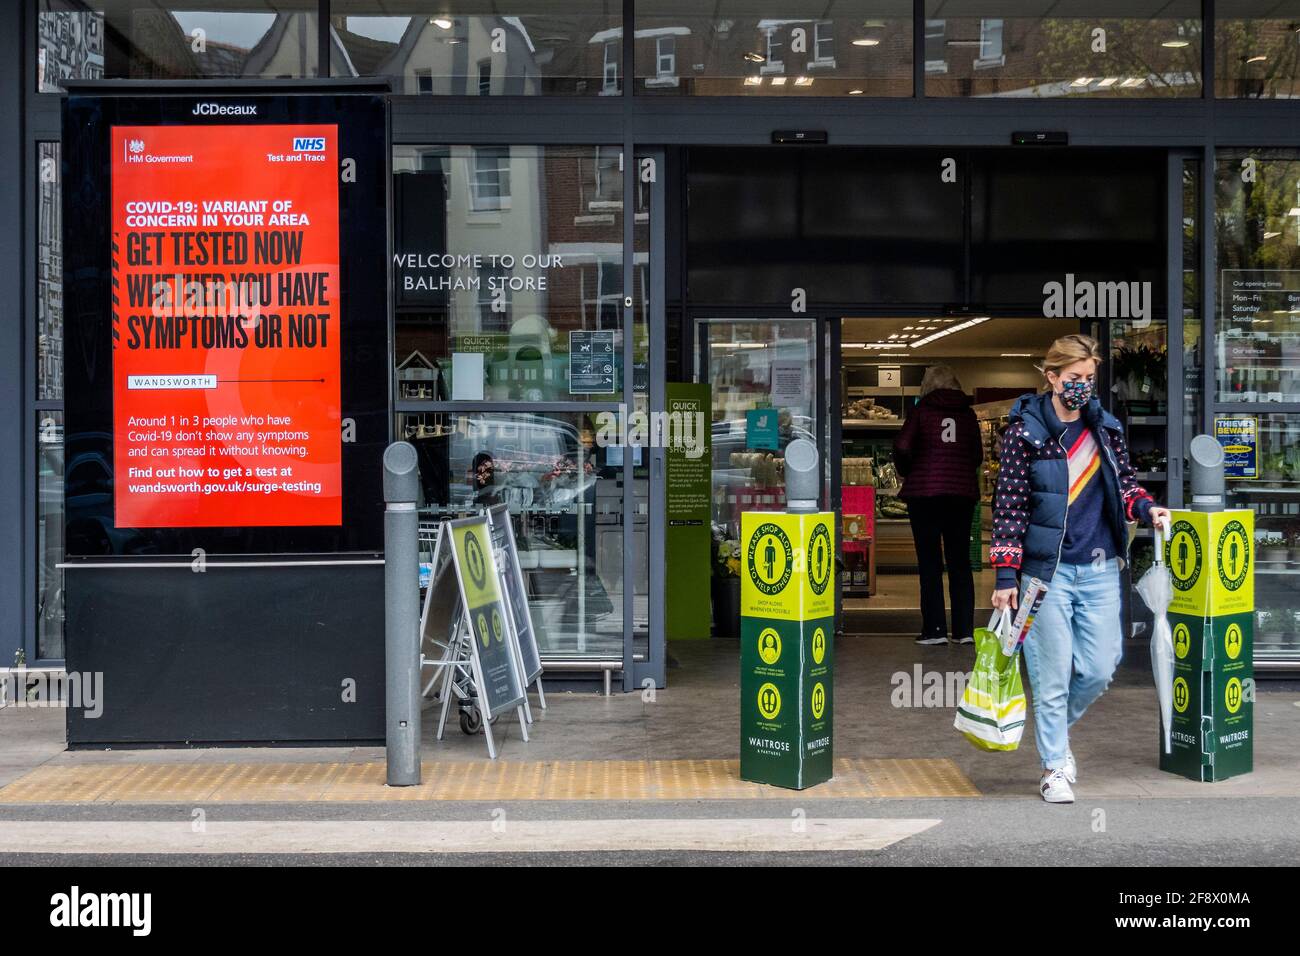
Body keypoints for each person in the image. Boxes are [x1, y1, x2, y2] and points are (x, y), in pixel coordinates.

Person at [990, 334, 1170, 804]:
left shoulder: (1104, 428)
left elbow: (1126, 486)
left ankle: (1056, 737)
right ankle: (1053, 767)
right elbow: (1009, 508)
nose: (1083, 387)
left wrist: (1146, 507)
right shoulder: (1024, 434)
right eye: (1074, 379)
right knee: (1051, 677)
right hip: (1043, 577)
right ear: (1050, 377)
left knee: (1099, 667)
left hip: (1101, 569)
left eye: (1090, 378)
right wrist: (1005, 578)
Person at [893, 365, 984, 646]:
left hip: (925, 495)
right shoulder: (968, 414)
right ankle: (964, 630)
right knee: (960, 562)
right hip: (961, 495)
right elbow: (978, 454)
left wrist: (908, 471)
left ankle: (934, 629)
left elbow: (903, 446)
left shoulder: (922, 412)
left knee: (930, 562)